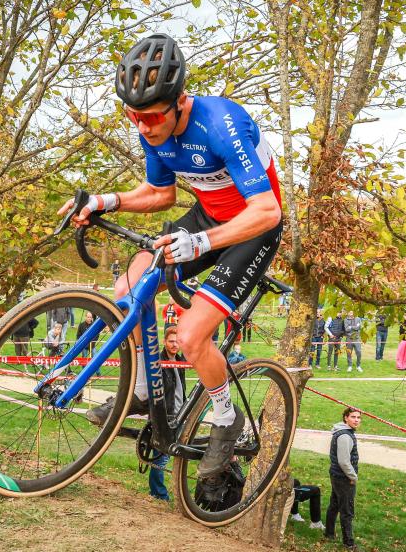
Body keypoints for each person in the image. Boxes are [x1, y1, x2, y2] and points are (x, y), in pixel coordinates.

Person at [67, 33, 284, 483]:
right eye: (132, 115)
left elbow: (268, 211)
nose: (142, 126)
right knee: (129, 287)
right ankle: (147, 393)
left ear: (180, 101)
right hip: (207, 216)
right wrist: (107, 201)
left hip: (252, 229)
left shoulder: (224, 124)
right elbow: (160, 193)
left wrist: (202, 245)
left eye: (149, 116)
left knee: (188, 335)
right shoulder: (153, 129)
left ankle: (226, 418)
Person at [147, 323, 187, 501]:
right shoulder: (159, 362)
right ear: (164, 342)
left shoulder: (180, 361)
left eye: (177, 341)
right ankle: (158, 493)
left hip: (180, 413)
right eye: (171, 341)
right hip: (165, 415)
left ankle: (162, 491)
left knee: (176, 453)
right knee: (161, 456)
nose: (174, 345)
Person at [325, 407, 362, 550]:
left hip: (336, 475)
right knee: (347, 510)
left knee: (334, 504)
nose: (356, 420)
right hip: (343, 477)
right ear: (346, 418)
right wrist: (353, 477)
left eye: (358, 418)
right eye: (353, 417)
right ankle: (349, 542)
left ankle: (329, 533)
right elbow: (344, 461)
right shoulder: (345, 436)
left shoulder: (343, 432)